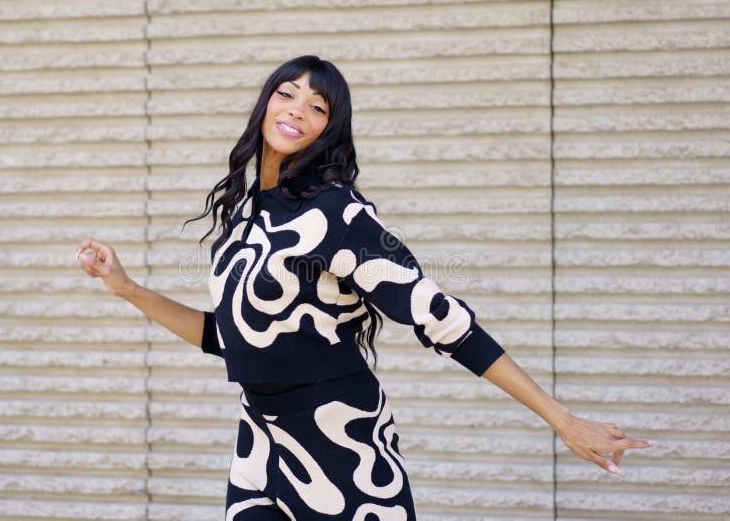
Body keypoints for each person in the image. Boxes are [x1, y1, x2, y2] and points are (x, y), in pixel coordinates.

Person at [75, 55, 653, 520]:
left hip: (340, 439)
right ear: (265, 103)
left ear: (331, 128)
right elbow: (229, 337)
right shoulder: (248, 217)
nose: (298, 108)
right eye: (287, 92)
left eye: (317, 105)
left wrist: (562, 419)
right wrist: (127, 288)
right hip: (259, 442)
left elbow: (440, 317)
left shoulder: (339, 214)